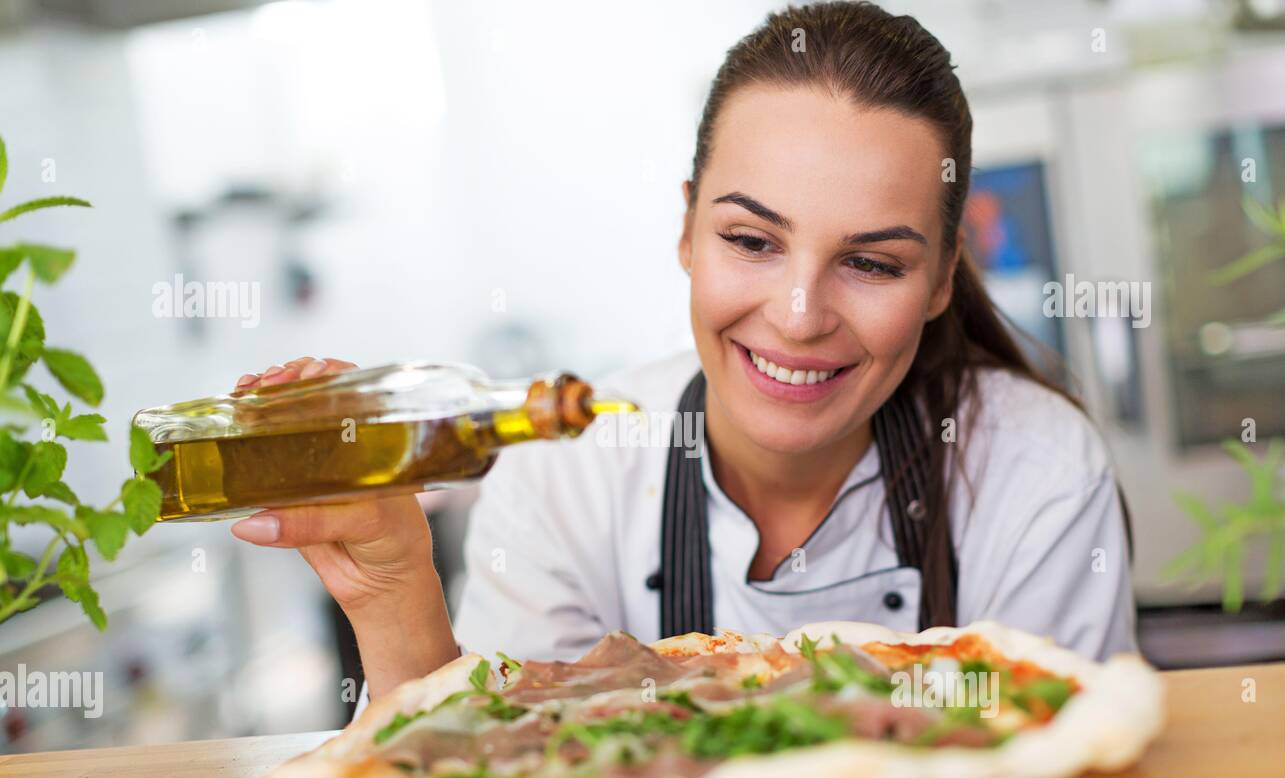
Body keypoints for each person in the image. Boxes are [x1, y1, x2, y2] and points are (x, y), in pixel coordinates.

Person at [228, 1, 1135, 713]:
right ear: (688, 232)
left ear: (940, 279)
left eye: (870, 263)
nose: (798, 315)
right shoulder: (570, 473)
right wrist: (394, 596)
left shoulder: (1035, 469)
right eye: (751, 240)